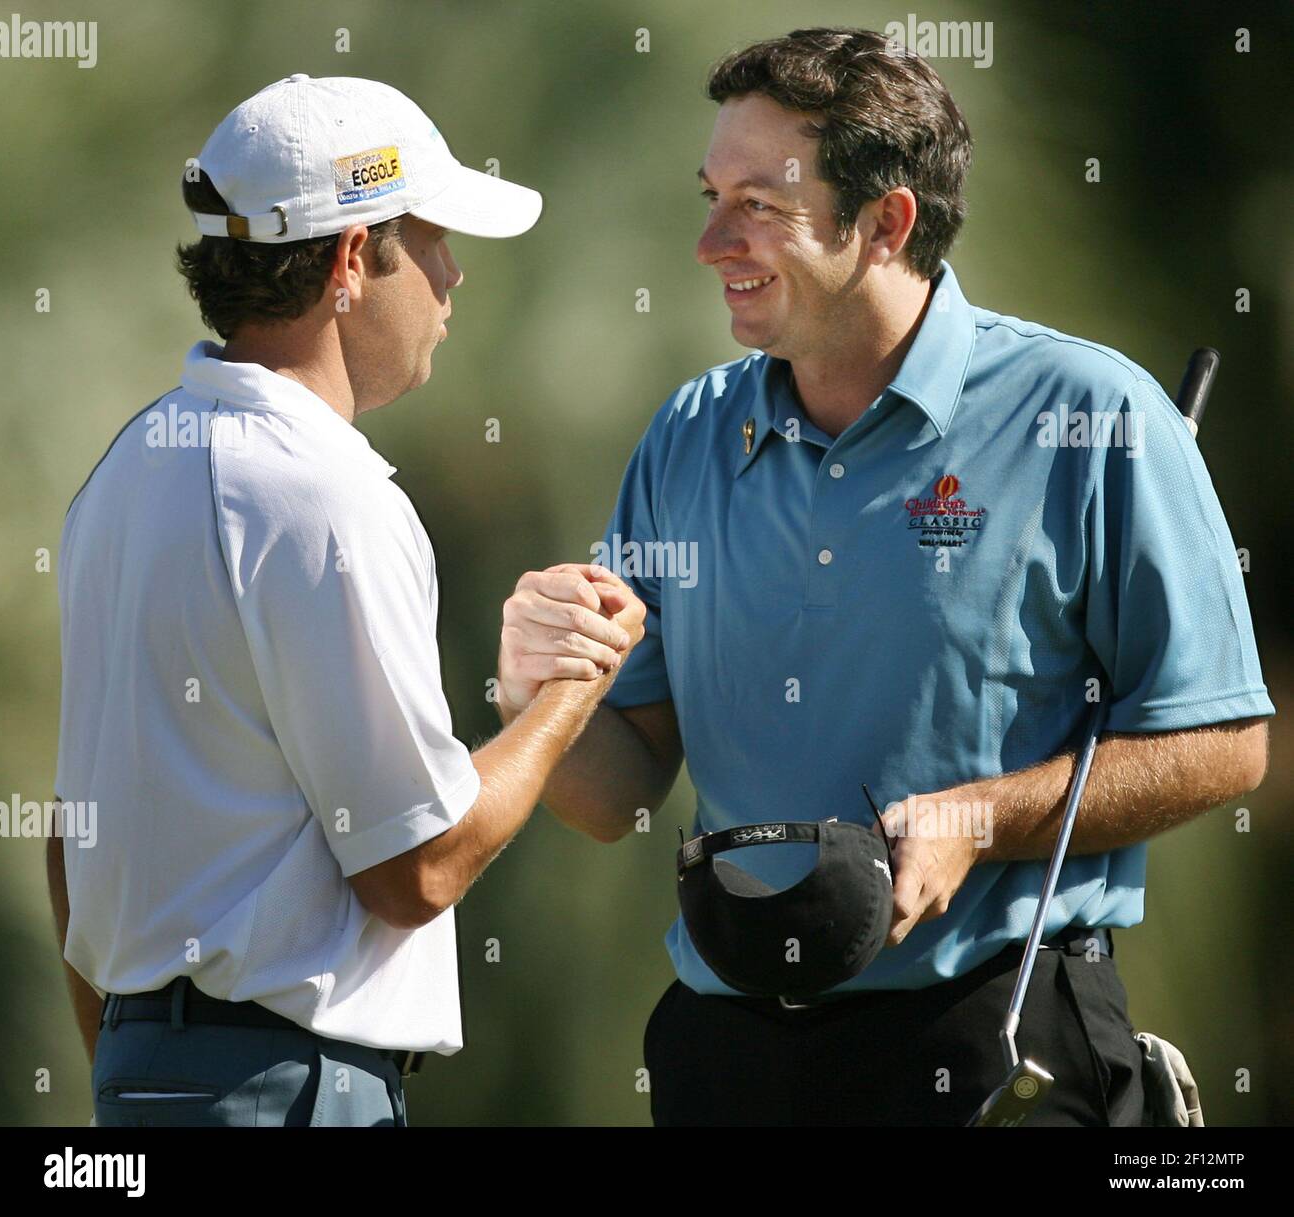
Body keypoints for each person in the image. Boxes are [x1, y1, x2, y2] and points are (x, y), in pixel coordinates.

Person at [495, 29, 1273, 1126]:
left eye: (759, 203)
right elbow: (613, 790)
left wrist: (981, 816)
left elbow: (1225, 744)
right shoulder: (686, 434)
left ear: (886, 222)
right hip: (724, 1053)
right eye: (712, 195)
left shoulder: (1093, 414)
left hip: (998, 1040)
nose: (713, 240)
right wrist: (535, 692)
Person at [47, 73, 642, 1128]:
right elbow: (413, 867)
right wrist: (566, 687)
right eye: (434, 238)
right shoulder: (326, 493)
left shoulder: (127, 467)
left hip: (147, 1079)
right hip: (290, 1091)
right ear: (354, 260)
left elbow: (71, 845)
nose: (455, 276)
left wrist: (146, 1067)